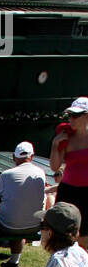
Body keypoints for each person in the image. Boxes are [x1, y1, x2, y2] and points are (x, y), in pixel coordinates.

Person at [0, 142, 47, 267]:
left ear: (14, 157)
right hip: (35, 225)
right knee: (19, 220)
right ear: (32, 156)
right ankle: (14, 261)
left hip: (9, 225)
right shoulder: (41, 173)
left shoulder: (6, 174)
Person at [49, 97, 88, 250]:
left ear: (86, 116)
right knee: (61, 233)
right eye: (69, 114)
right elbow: (54, 166)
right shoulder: (65, 136)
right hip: (68, 190)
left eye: (75, 115)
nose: (71, 118)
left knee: (84, 237)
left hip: (86, 192)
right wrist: (55, 144)